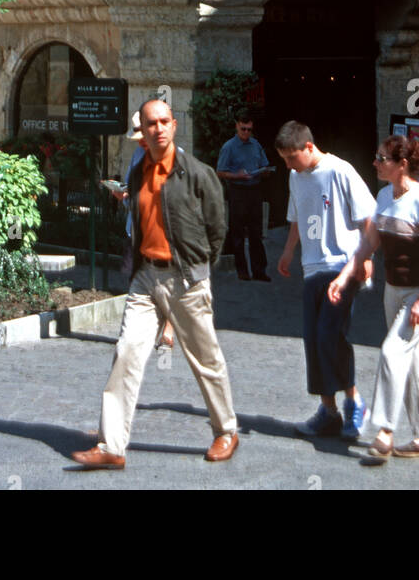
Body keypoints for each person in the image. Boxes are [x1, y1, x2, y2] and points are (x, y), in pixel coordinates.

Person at [72, 98, 238, 470]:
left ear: (174, 126)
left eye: (164, 121)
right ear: (143, 132)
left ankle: (226, 431)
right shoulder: (137, 172)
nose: (158, 128)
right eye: (151, 123)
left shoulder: (196, 173)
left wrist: (198, 267)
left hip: (185, 278)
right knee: (127, 351)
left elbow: (217, 227)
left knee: (205, 359)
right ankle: (112, 445)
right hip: (145, 277)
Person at [329, 134, 419, 464]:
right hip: (394, 289)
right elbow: (368, 244)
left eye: (382, 159)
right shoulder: (383, 196)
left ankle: (384, 430)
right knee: (409, 358)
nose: (376, 163)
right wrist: (343, 277)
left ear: (402, 164)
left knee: (392, 351)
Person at [275, 121, 375, 442]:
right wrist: (288, 251)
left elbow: (368, 216)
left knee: (330, 334)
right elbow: (297, 217)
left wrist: (367, 256)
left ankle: (355, 402)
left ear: (308, 147)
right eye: (283, 159)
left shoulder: (340, 171)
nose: (288, 165)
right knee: (313, 339)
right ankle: (328, 411)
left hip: (342, 265)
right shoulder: (295, 176)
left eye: (291, 157)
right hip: (312, 267)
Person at [106, 111, 174, 346]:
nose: (141, 143)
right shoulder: (137, 155)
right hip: (136, 229)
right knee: (135, 280)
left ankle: (168, 326)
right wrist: (123, 195)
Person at [217, 115, 272, 281]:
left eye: (249, 130)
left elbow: (264, 164)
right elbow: (220, 171)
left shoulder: (256, 145)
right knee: (238, 231)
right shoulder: (229, 147)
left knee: (256, 231)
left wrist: (265, 171)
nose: (246, 133)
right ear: (237, 127)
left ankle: (259, 270)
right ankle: (242, 270)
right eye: (243, 129)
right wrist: (237, 175)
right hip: (238, 191)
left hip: (254, 189)